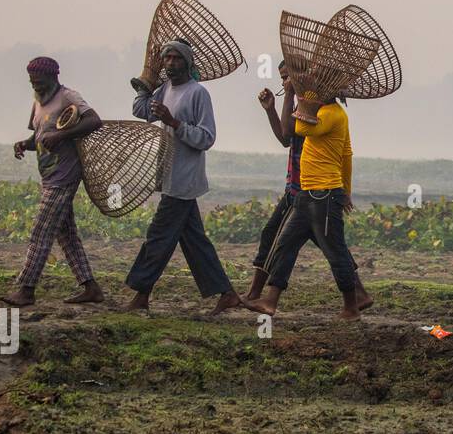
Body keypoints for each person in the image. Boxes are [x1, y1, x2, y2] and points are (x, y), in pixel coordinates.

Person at [125, 40, 243, 313]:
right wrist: (145, 84)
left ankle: (141, 294)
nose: (171, 63)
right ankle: (226, 293)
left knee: (158, 236)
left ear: (188, 63)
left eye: (177, 58)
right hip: (169, 175)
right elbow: (141, 111)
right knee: (194, 241)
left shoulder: (198, 93)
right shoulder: (165, 88)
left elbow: (207, 137)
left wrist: (174, 122)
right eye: (167, 58)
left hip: (184, 178)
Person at [246, 89, 368, 320]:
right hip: (307, 194)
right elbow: (347, 154)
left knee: (336, 252)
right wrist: (347, 191)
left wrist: (302, 102)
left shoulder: (332, 114)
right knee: (285, 244)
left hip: (324, 196)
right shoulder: (328, 112)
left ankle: (351, 307)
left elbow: (301, 129)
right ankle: (270, 302)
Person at [3, 57, 105, 307]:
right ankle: (91, 288)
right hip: (49, 176)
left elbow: (94, 120)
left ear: (54, 77)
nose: (35, 86)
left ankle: (26, 289)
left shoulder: (69, 97)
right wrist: (24, 145)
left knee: (41, 231)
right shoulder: (38, 102)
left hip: (65, 176)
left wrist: (62, 135)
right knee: (66, 234)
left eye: (39, 81)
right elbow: (38, 135)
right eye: (32, 82)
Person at [241, 60, 311, 301]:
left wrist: (289, 93)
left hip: (308, 190)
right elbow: (285, 139)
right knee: (329, 244)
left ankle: (260, 294)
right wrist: (271, 109)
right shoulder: (301, 104)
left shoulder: (312, 106)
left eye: (286, 77)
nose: (283, 83)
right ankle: (257, 292)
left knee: (277, 237)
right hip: (297, 188)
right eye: (282, 78)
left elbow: (286, 133)